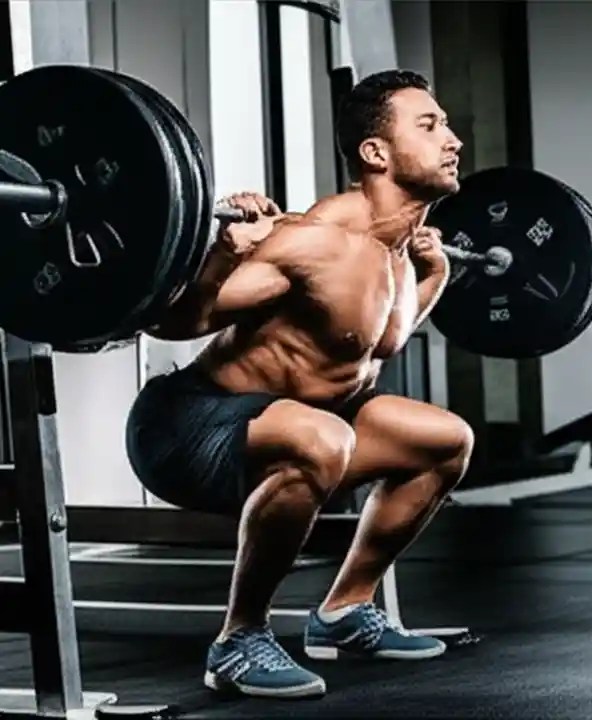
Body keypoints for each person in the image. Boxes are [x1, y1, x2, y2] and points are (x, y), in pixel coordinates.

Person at [128, 69, 471, 699]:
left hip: (303, 421)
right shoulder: (315, 242)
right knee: (322, 438)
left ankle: (345, 611)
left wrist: (436, 275)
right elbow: (174, 323)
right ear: (376, 153)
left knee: (444, 441)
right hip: (186, 427)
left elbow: (373, 338)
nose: (452, 140)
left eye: (445, 125)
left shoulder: (397, 252)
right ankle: (238, 640)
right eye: (429, 126)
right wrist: (224, 253)